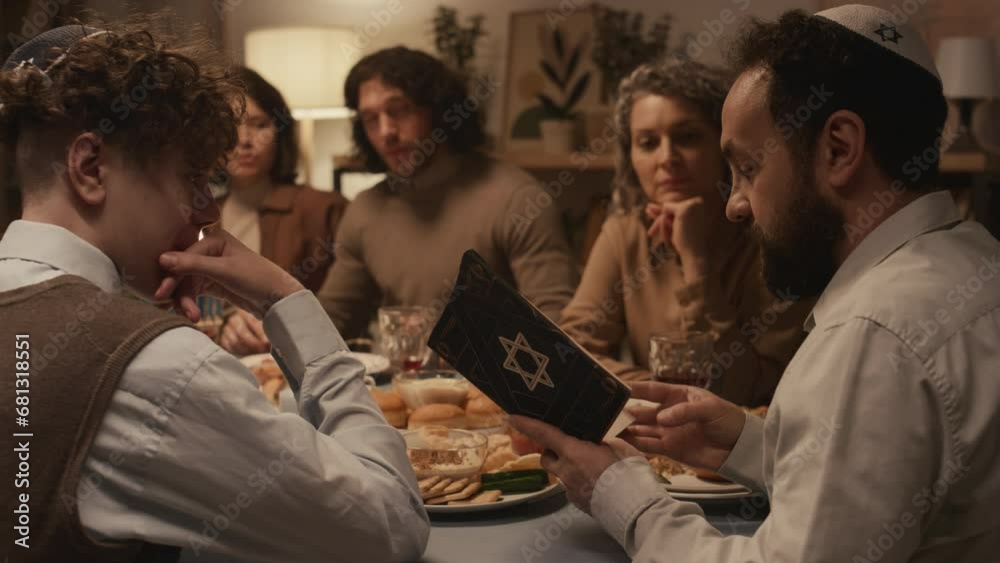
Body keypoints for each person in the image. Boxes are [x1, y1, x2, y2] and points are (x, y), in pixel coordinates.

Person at [510, 5, 1000, 561]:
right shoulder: (976, 258)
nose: (736, 205)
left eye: (748, 168)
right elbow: (889, 479)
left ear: (839, 148)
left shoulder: (871, 336)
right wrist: (750, 445)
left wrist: (622, 496)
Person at [0, 22, 428, 561]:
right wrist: (285, 300)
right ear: (90, 169)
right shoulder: (151, 366)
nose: (207, 209)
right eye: (191, 177)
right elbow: (389, 524)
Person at [559, 58, 810, 406]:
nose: (667, 158)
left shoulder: (772, 233)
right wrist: (659, 388)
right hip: (659, 432)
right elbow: (569, 353)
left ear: (724, 147)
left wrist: (696, 263)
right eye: (648, 142)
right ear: (630, 158)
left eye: (688, 137)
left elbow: (744, 391)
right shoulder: (625, 232)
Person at [316, 47, 576, 339]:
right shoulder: (366, 209)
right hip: (400, 367)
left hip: (498, 368)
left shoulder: (517, 199)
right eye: (370, 119)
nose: (386, 131)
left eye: (399, 110)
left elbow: (557, 327)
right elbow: (335, 317)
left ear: (439, 109)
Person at [216, 67, 348, 356]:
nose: (244, 140)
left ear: (280, 132)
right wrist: (226, 329)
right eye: (230, 125)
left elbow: (347, 311)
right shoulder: (198, 215)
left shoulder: (324, 208)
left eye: (259, 124)